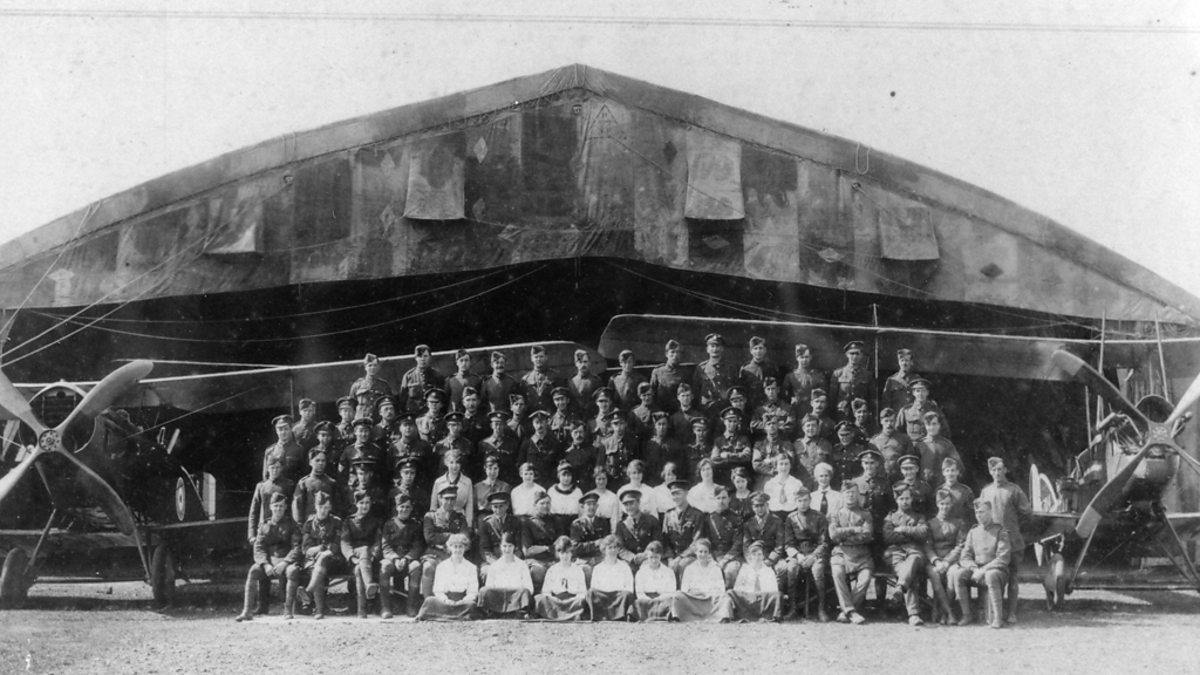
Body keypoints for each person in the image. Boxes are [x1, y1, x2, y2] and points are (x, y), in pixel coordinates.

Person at [979, 455, 1031, 624]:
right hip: (993, 541)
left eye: (1000, 469)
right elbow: (982, 514)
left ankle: (1012, 612)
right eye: (993, 470)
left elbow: (1026, 512)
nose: (997, 473)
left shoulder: (1014, 490)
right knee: (994, 575)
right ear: (989, 472)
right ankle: (995, 612)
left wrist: (1013, 527)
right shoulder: (986, 491)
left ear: (1005, 470)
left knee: (1013, 578)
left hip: (1013, 540)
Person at [236, 492, 301, 622]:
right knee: (254, 571)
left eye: (281, 506)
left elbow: (297, 548)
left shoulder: (292, 525)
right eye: (276, 506)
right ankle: (247, 611)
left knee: (293, 572)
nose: (278, 509)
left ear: (286, 507)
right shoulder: (264, 525)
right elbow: (259, 548)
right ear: (270, 507)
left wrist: (285, 563)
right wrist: (265, 564)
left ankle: (288, 610)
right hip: (269, 563)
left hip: (285, 562)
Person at [952, 499, 1011, 628]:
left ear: (990, 512)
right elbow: (965, 556)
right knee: (959, 574)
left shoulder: (1000, 531)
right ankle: (967, 615)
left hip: (997, 571)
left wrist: (983, 570)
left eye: (982, 512)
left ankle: (997, 618)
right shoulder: (973, 532)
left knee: (991, 575)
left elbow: (1003, 558)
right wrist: (974, 569)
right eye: (977, 512)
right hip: (977, 570)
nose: (979, 515)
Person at [884, 484, 930, 626]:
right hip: (895, 553)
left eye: (908, 498)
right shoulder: (890, 517)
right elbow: (888, 537)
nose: (905, 501)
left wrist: (903, 529)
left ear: (912, 499)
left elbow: (923, 533)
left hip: (914, 552)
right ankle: (913, 614)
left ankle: (900, 588)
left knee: (914, 559)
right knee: (909, 573)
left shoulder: (918, 516)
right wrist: (911, 534)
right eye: (901, 498)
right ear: (896, 500)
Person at [828, 481, 874, 624]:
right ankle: (851, 612)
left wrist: (844, 535)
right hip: (841, 552)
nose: (850, 495)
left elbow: (867, 535)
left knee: (865, 578)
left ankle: (845, 611)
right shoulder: (836, 514)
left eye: (853, 492)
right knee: (837, 572)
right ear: (843, 495)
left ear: (858, 495)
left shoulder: (865, 514)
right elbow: (833, 535)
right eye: (847, 493)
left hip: (862, 554)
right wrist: (854, 530)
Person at [782, 487, 830, 621]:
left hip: (815, 554)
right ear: (795, 501)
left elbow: (824, 542)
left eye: (805, 500)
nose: (803, 503)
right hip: (798, 554)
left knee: (818, 570)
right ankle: (792, 608)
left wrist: (813, 556)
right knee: (791, 569)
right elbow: (788, 543)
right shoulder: (790, 518)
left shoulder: (819, 517)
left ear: (810, 500)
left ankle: (821, 608)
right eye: (799, 500)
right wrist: (798, 556)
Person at [420, 485, 471, 602]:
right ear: (440, 499)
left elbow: (465, 538)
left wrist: (450, 542)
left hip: (454, 554)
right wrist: (451, 536)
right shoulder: (431, 516)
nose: (449, 502)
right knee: (428, 567)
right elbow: (430, 537)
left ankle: (456, 601)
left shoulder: (460, 517)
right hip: (435, 553)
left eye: (453, 499)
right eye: (446, 499)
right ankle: (428, 602)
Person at [298, 491, 343, 620]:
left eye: (326, 507)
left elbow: (339, 542)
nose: (323, 511)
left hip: (333, 559)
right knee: (317, 569)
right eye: (320, 507)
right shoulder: (309, 523)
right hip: (313, 561)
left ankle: (309, 594)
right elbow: (306, 548)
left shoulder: (336, 522)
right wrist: (321, 549)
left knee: (322, 561)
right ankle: (319, 609)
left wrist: (324, 551)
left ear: (330, 508)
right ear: (315, 506)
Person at [379, 493, 425, 619]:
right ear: (396, 507)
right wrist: (394, 558)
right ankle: (385, 607)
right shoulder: (389, 524)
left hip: (409, 559)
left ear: (411, 509)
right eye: (401, 506)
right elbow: (385, 545)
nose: (404, 509)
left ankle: (411, 607)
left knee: (416, 567)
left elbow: (418, 546)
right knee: (384, 567)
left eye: (407, 507)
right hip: (392, 559)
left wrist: (406, 559)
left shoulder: (416, 525)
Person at [926, 488, 966, 625]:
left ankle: (942, 614)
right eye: (942, 504)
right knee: (936, 575)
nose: (945, 507)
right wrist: (936, 561)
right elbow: (928, 546)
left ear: (952, 505)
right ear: (937, 504)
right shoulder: (930, 523)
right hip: (934, 561)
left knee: (952, 574)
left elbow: (960, 545)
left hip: (952, 560)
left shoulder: (958, 522)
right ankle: (949, 613)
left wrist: (947, 562)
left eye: (948, 504)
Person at [416, 533, 478, 621]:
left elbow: (473, 591)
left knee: (471, 605)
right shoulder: (442, 566)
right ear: (450, 548)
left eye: (461, 547)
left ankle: (444, 616)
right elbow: (437, 590)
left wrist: (463, 601)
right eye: (455, 547)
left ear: (465, 548)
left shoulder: (471, 567)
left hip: (462, 603)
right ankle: (458, 616)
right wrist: (446, 600)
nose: (458, 550)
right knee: (430, 601)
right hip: (445, 602)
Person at [341, 489, 382, 618]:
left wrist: (374, 555)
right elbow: (345, 542)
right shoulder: (348, 522)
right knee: (363, 550)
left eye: (367, 503)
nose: (365, 506)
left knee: (360, 569)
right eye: (362, 503)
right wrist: (352, 557)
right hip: (353, 558)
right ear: (356, 504)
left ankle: (361, 611)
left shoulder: (375, 521)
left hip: (370, 560)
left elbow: (377, 542)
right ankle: (369, 585)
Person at [672, 538, 733, 622]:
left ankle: (720, 616)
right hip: (694, 601)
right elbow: (684, 589)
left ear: (709, 553)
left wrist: (708, 592)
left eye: (705, 552)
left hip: (710, 601)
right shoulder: (689, 568)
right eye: (700, 552)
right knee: (677, 596)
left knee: (725, 597)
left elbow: (721, 589)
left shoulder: (715, 568)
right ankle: (680, 616)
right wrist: (695, 592)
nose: (703, 554)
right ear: (696, 552)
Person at [477, 532, 534, 618]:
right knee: (484, 591)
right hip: (498, 596)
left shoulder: (522, 565)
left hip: (515, 596)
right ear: (500, 547)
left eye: (510, 546)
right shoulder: (494, 566)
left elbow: (529, 587)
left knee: (525, 592)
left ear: (515, 547)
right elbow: (489, 586)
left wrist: (517, 593)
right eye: (504, 546)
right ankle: (494, 612)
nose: (507, 549)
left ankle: (518, 611)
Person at [741, 492, 786, 591]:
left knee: (781, 568)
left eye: (762, 505)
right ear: (752, 507)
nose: (759, 509)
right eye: (756, 506)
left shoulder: (777, 521)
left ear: (767, 505)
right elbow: (746, 545)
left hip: (772, 558)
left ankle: (776, 598)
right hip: (754, 558)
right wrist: (752, 560)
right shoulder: (748, 524)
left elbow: (779, 545)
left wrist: (770, 560)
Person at [535, 536, 588, 620]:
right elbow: (546, 591)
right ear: (558, 554)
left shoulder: (578, 570)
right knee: (539, 598)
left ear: (571, 553)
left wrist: (577, 598)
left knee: (582, 601)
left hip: (572, 600)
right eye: (562, 553)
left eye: (567, 553)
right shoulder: (552, 570)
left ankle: (568, 614)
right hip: (556, 600)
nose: (565, 556)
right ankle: (567, 615)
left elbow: (582, 592)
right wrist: (552, 599)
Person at [661, 480, 705, 580]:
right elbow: (664, 540)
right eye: (673, 494)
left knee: (682, 565)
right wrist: (670, 557)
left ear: (686, 493)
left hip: (690, 555)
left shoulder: (697, 515)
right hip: (672, 555)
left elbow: (697, 541)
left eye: (678, 493)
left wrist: (680, 557)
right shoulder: (668, 515)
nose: (675, 497)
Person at [730, 540, 782, 622]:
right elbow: (737, 588)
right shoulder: (745, 569)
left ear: (763, 557)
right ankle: (741, 615)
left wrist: (761, 595)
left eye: (759, 555)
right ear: (749, 557)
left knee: (777, 594)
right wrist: (748, 594)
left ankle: (771, 616)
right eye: (754, 555)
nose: (757, 558)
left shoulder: (768, 570)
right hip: (747, 601)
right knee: (730, 593)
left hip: (763, 601)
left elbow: (773, 589)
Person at [248, 456, 295, 546]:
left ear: (281, 468)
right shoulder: (261, 486)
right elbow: (254, 511)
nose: (275, 470)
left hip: (283, 529)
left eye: (277, 467)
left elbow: (292, 509)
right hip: (264, 529)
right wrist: (251, 535)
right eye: (272, 468)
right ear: (268, 469)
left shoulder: (288, 485)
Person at [477, 490, 523, 581]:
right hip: (492, 559)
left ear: (507, 506)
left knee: (519, 572)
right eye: (495, 507)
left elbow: (518, 546)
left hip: (512, 557)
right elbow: (484, 549)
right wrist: (497, 564)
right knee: (486, 572)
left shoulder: (515, 522)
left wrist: (511, 561)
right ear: (491, 507)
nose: (498, 510)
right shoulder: (486, 523)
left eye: (501, 506)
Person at [587, 535, 635, 621]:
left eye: (615, 547)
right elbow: (594, 587)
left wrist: (617, 592)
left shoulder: (625, 567)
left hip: (618, 597)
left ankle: (620, 615)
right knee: (591, 593)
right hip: (603, 597)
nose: (613, 550)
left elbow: (629, 588)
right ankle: (598, 616)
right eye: (610, 548)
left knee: (627, 595)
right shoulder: (598, 568)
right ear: (604, 550)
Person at [693, 333, 741, 416]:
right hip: (707, 409)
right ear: (707, 349)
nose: (715, 349)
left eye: (718, 346)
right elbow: (696, 390)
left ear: (722, 349)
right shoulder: (701, 368)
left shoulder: (731, 368)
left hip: (726, 409)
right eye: (712, 346)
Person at [522, 491, 561, 591]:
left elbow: (561, 543)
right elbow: (528, 550)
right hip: (536, 560)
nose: (545, 506)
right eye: (542, 503)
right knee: (537, 572)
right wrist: (548, 548)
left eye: (548, 503)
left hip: (553, 558)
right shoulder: (528, 523)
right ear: (535, 505)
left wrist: (542, 549)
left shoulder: (556, 520)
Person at [614, 489, 661, 572]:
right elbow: (620, 547)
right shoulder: (621, 525)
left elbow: (658, 542)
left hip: (649, 558)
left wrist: (645, 555)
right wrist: (632, 557)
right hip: (630, 561)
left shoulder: (651, 520)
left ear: (639, 503)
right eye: (626, 505)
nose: (629, 507)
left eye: (632, 503)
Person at [829, 340, 875, 421]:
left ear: (861, 355)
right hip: (843, 413)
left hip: (860, 414)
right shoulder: (838, 373)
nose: (854, 356)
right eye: (852, 353)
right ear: (847, 355)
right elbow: (832, 397)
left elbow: (871, 398)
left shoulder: (867, 375)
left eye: (857, 353)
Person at [570, 491, 610, 579]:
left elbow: (606, 544)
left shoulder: (603, 522)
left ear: (597, 506)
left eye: (594, 504)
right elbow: (575, 548)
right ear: (582, 506)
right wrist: (595, 543)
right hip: (583, 559)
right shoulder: (576, 524)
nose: (591, 507)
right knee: (585, 571)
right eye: (588, 504)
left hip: (599, 558)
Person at [633, 541, 676, 620]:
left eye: (656, 557)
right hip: (646, 600)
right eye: (651, 557)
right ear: (647, 557)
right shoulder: (641, 572)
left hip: (662, 599)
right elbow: (639, 592)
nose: (653, 560)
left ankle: (660, 616)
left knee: (672, 603)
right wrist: (649, 600)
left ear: (661, 556)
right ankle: (652, 615)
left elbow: (671, 591)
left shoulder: (668, 572)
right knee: (637, 603)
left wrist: (658, 599)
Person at [751, 412, 795, 491]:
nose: (771, 426)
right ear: (764, 427)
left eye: (774, 423)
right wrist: (774, 469)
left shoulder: (786, 444)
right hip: (765, 479)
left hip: (783, 478)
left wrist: (768, 461)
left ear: (778, 425)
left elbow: (791, 461)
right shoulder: (759, 445)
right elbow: (756, 464)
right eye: (768, 424)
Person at [430, 449, 475, 526]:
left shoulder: (467, 482)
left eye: (457, 462)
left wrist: (468, 525)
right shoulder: (438, 482)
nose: (454, 466)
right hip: (442, 521)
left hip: (460, 521)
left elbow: (469, 506)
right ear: (446, 463)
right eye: (451, 462)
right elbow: (433, 506)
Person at [869, 408, 914, 483]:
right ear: (881, 422)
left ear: (895, 421)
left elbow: (910, 461)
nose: (889, 424)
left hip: (899, 480)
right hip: (880, 481)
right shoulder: (874, 441)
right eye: (886, 421)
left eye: (892, 421)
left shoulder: (904, 439)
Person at [916, 412, 961, 486]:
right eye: (928, 424)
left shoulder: (946, 444)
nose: (931, 427)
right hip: (924, 485)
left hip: (942, 485)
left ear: (939, 425)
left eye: (934, 424)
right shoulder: (920, 445)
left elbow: (957, 464)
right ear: (925, 426)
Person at [518, 410, 560, 487]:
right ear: (533, 424)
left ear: (547, 423)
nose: (539, 426)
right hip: (532, 483)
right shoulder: (527, 443)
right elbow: (521, 464)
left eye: (542, 422)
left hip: (550, 482)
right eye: (537, 423)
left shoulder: (554, 443)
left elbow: (558, 464)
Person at [400, 344, 446, 414]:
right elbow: (403, 400)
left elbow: (442, 399)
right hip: (414, 415)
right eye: (419, 356)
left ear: (430, 357)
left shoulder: (437, 376)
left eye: (425, 356)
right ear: (415, 358)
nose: (422, 359)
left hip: (431, 414)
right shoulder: (408, 376)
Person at [478, 410, 521, 486]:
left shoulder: (512, 443)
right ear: (491, 425)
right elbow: (480, 466)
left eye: (501, 424)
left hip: (507, 482)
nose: (498, 427)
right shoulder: (483, 444)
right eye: (496, 424)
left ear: (505, 425)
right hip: (489, 483)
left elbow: (515, 465)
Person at [711, 406, 752, 485]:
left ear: (737, 422)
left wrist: (728, 456)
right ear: (724, 422)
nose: (732, 424)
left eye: (734, 421)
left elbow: (747, 457)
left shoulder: (743, 439)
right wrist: (738, 458)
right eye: (729, 421)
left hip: (741, 479)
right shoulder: (718, 441)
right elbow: (714, 460)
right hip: (724, 479)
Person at [783, 343, 827, 416]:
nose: (804, 360)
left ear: (810, 357)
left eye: (806, 357)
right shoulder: (790, 376)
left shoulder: (818, 376)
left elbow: (823, 395)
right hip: (795, 411)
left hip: (813, 411)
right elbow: (785, 397)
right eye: (802, 357)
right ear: (797, 358)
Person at [641, 411, 683, 484]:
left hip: (670, 480)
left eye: (664, 424)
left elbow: (679, 465)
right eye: (659, 424)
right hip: (652, 481)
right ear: (655, 426)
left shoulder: (674, 444)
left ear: (668, 425)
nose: (661, 427)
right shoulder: (649, 445)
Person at [262, 414, 306, 483]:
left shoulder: (299, 449)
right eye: (280, 429)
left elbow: (304, 474)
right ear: (276, 431)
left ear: (291, 429)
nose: (283, 432)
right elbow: (265, 475)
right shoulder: (270, 451)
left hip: (293, 490)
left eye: (286, 429)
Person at [349, 353, 393, 420]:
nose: (372, 368)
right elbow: (351, 405)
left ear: (378, 367)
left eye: (375, 365)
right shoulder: (357, 385)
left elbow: (389, 403)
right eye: (370, 365)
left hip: (378, 419)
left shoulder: (384, 385)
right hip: (361, 419)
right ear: (365, 367)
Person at [599, 410, 638, 485]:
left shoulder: (633, 442)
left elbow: (637, 464)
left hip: (629, 481)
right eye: (615, 424)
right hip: (611, 482)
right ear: (611, 425)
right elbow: (600, 466)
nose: (619, 427)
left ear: (626, 424)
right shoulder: (605, 443)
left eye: (621, 423)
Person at [763, 454, 806, 519]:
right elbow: (766, 505)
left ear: (790, 466)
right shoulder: (769, 484)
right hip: (774, 516)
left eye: (786, 464)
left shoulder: (797, 483)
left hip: (792, 515)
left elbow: (801, 503)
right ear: (776, 466)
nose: (784, 467)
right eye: (781, 464)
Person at [521, 344, 562, 413]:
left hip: (551, 415)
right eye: (536, 357)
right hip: (533, 417)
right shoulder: (526, 379)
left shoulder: (555, 376)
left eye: (541, 356)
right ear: (531, 358)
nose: (538, 359)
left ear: (546, 357)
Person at [560, 421, 600, 492]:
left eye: (581, 432)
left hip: (588, 487)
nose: (578, 435)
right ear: (571, 434)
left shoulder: (592, 450)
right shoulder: (566, 452)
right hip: (571, 488)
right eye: (575, 432)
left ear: (584, 433)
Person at [649, 339, 686, 413]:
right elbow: (652, 394)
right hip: (661, 413)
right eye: (672, 352)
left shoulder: (684, 372)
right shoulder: (658, 372)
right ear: (666, 354)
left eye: (677, 352)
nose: (675, 355)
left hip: (678, 413)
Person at [795, 415, 833, 484]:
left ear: (818, 428)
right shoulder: (797, 445)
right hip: (801, 483)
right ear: (803, 428)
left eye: (813, 425)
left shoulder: (825, 444)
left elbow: (831, 466)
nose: (811, 428)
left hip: (820, 483)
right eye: (808, 425)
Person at [895, 454, 936, 519]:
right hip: (902, 521)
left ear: (917, 469)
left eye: (911, 469)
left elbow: (931, 509)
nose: (909, 472)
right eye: (905, 469)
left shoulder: (925, 487)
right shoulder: (896, 487)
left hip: (922, 522)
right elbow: (894, 509)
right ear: (901, 470)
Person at [881, 348, 919, 415]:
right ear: (899, 362)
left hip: (912, 417)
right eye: (902, 360)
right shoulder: (891, 380)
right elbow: (886, 403)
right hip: (896, 416)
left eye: (907, 360)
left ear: (911, 362)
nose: (904, 363)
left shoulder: (917, 379)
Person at [548, 462, 583, 533]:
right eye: (563, 475)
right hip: (556, 524)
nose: (566, 478)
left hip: (573, 523)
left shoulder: (577, 491)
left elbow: (581, 511)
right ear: (558, 476)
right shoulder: (552, 491)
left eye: (569, 475)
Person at [473, 454, 511, 520]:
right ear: (485, 468)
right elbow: (474, 509)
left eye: (495, 468)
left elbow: (507, 507)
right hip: (483, 519)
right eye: (490, 469)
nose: (493, 472)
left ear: (499, 469)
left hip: (500, 518)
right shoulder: (477, 487)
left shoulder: (505, 486)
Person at [940, 457, 976, 524]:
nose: (950, 473)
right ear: (943, 473)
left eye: (953, 470)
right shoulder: (939, 490)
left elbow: (972, 512)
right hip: (944, 528)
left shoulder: (966, 491)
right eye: (947, 470)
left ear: (957, 472)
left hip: (961, 527)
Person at [610, 349, 647, 413]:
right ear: (620, 363)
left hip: (636, 413)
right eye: (624, 362)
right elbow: (610, 399)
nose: (627, 365)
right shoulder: (614, 379)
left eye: (630, 362)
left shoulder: (641, 379)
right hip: (620, 413)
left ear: (634, 363)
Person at [568, 349, 602, 417]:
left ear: (589, 363)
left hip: (592, 416)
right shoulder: (571, 382)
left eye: (585, 362)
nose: (583, 365)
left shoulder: (596, 380)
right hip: (576, 417)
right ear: (576, 363)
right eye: (580, 362)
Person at [446, 349, 482, 413]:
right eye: (461, 360)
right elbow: (446, 399)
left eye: (466, 360)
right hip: (455, 415)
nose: (464, 363)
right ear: (457, 362)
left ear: (470, 362)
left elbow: (480, 399)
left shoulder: (477, 380)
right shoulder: (450, 380)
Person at [681, 416, 711, 484]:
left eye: (704, 430)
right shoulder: (688, 449)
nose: (701, 434)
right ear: (694, 431)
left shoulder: (711, 448)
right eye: (698, 430)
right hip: (692, 483)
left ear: (707, 431)